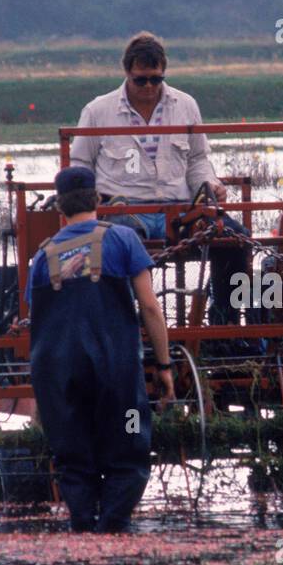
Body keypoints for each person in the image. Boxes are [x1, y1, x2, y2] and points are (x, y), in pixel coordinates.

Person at [25, 166, 175, 533]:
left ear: (59, 209)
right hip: (117, 374)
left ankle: (83, 529)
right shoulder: (124, 239)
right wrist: (165, 365)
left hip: (61, 378)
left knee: (73, 455)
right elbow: (150, 308)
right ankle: (113, 526)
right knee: (129, 443)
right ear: (97, 199)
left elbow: (37, 321)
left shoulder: (41, 258)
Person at [69, 31, 250, 322]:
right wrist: (91, 208)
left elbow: (197, 160)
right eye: (141, 79)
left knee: (235, 238)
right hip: (123, 210)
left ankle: (224, 329)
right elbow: (79, 166)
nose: (149, 86)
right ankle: (130, 327)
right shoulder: (98, 111)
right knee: (123, 241)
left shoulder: (186, 105)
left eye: (156, 79)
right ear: (127, 72)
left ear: (164, 73)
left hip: (180, 211)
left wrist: (209, 186)